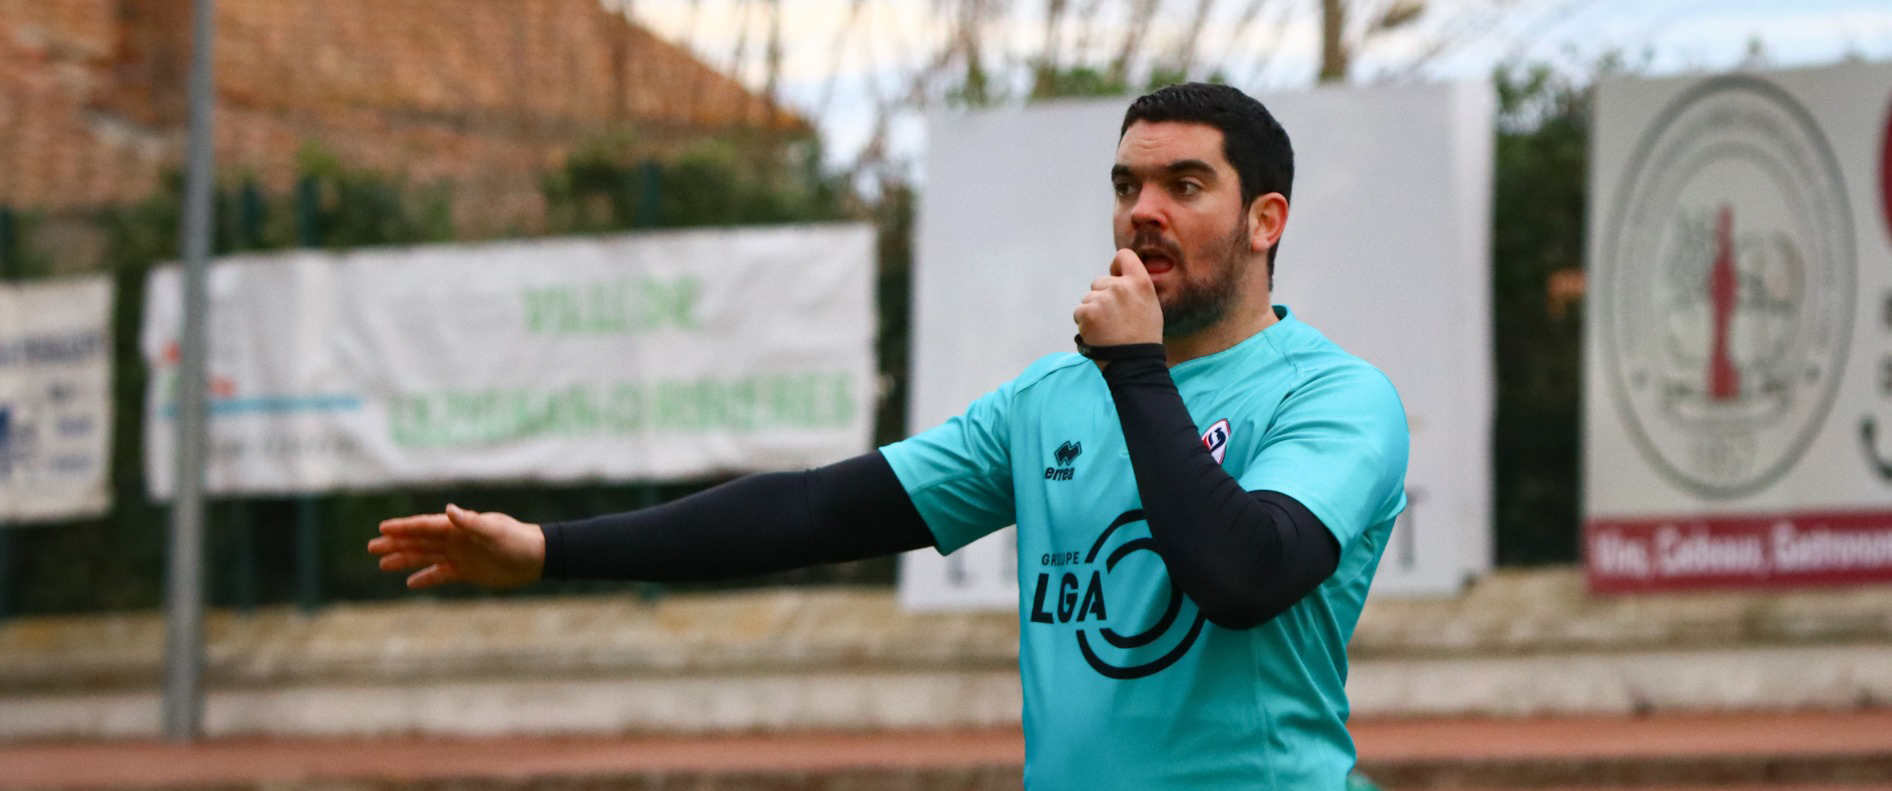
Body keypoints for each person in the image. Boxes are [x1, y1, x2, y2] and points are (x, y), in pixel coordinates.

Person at [369, 82, 1409, 790]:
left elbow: (1239, 573)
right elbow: (817, 508)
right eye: (1126, 185)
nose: (1141, 212)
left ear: (1263, 219)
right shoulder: (1052, 396)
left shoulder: (1335, 396)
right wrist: (552, 550)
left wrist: (1134, 367)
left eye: (1183, 185)